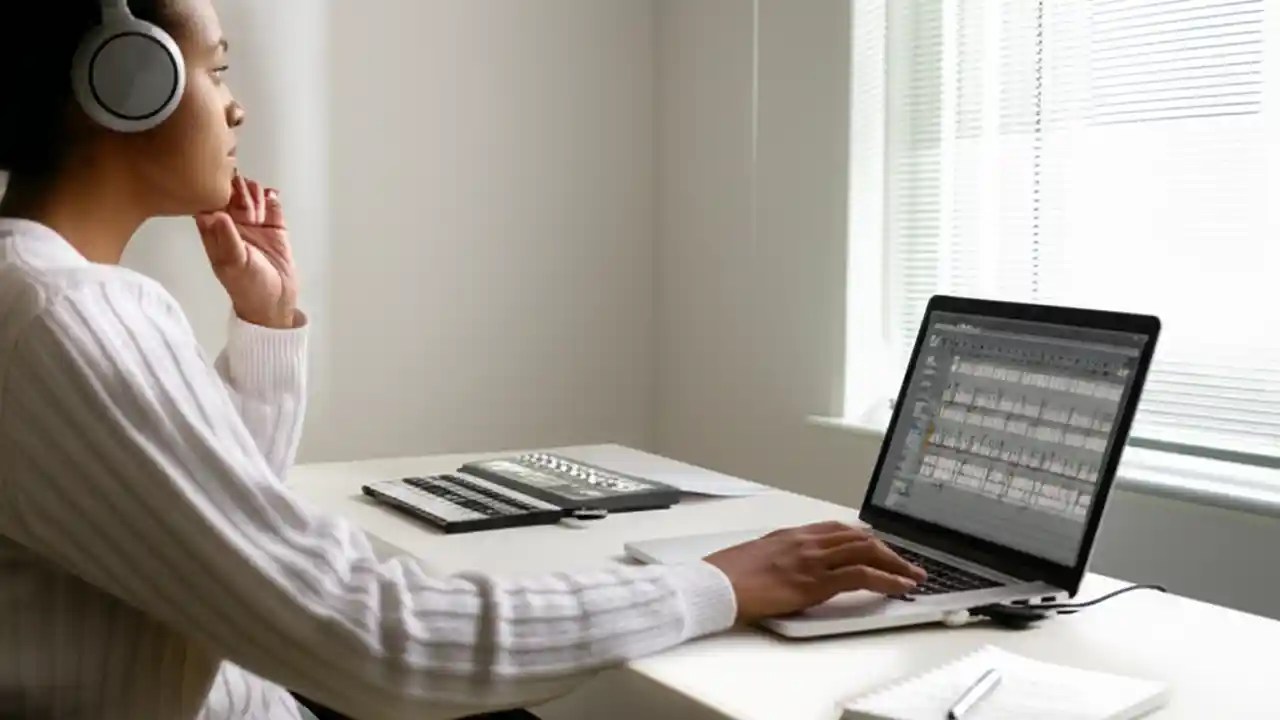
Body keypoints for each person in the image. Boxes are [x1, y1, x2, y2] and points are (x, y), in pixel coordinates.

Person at [0, 1, 927, 719]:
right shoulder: (65, 316)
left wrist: (265, 324)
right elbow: (376, 640)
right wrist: (722, 582)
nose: (237, 103)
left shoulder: (47, 292)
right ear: (127, 80)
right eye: (215, 70)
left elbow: (198, 529)